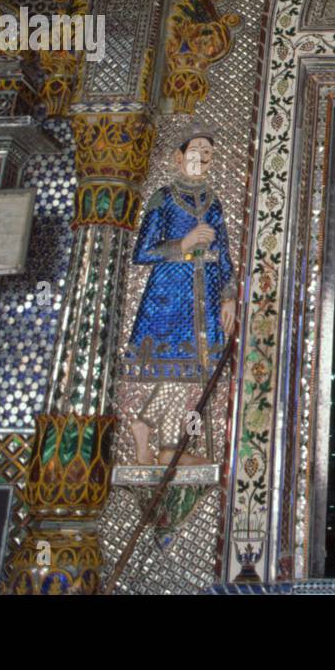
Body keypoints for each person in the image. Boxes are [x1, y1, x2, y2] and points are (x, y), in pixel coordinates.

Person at [123, 127, 236, 466]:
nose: (201, 157)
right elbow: (142, 251)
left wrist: (228, 296)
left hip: (207, 293)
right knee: (174, 370)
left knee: (199, 374)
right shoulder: (163, 197)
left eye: (207, 153)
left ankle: (172, 445)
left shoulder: (212, 201)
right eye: (195, 150)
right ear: (177, 157)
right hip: (170, 295)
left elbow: (225, 253)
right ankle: (148, 428)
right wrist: (183, 245)